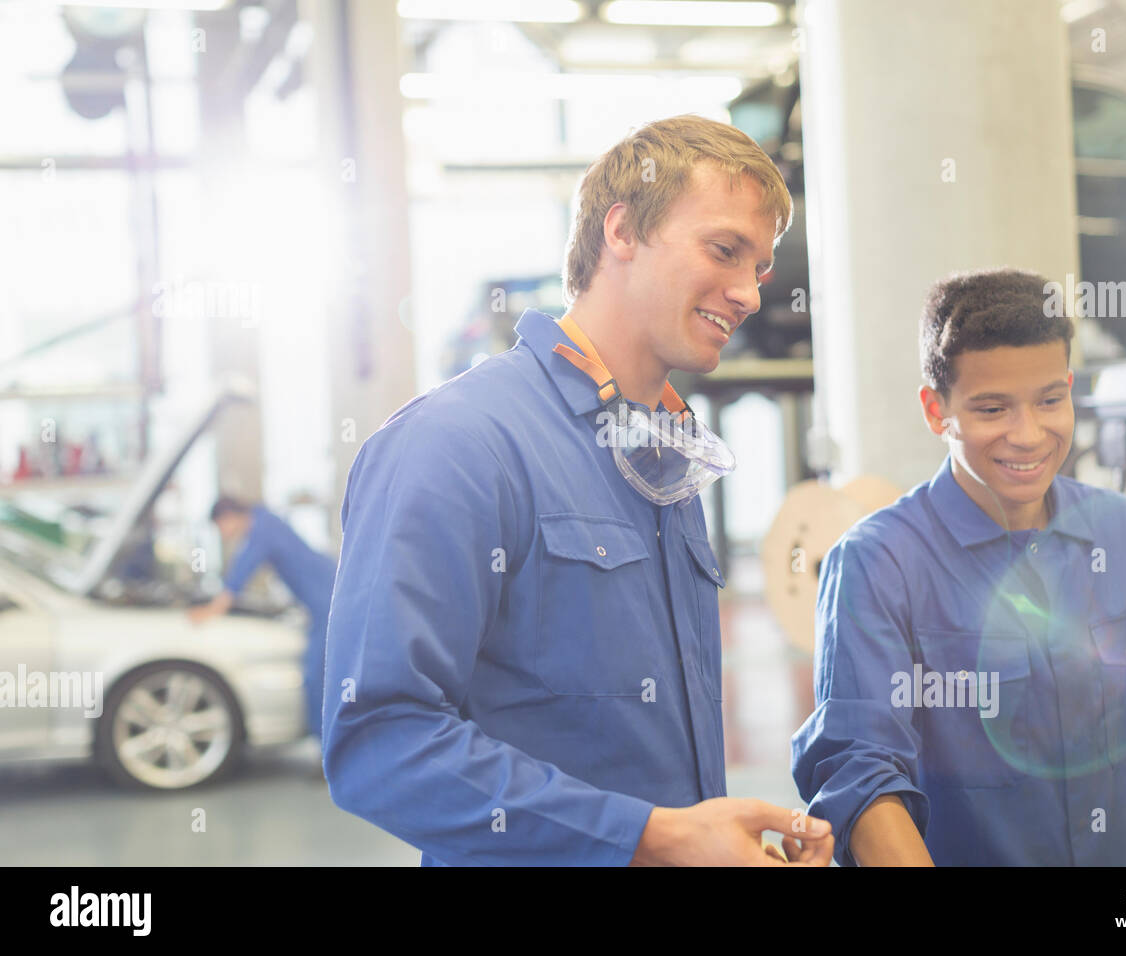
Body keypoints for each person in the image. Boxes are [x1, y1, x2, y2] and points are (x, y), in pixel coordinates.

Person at [323, 115, 833, 866]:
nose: (749, 295)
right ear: (621, 232)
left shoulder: (664, 457)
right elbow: (379, 743)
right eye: (724, 251)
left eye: (759, 269)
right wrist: (650, 838)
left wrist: (710, 837)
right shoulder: (458, 444)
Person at [792, 268, 1126, 866]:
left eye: (1050, 401)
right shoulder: (879, 564)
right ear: (937, 410)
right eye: (991, 409)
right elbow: (861, 774)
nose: (1028, 435)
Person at [189, 497, 337, 740]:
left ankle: (324, 748)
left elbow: (241, 571)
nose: (223, 534)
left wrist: (210, 611)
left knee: (315, 677)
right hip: (325, 602)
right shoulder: (266, 521)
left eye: (220, 527)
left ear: (229, 516)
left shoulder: (262, 528)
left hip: (326, 608)